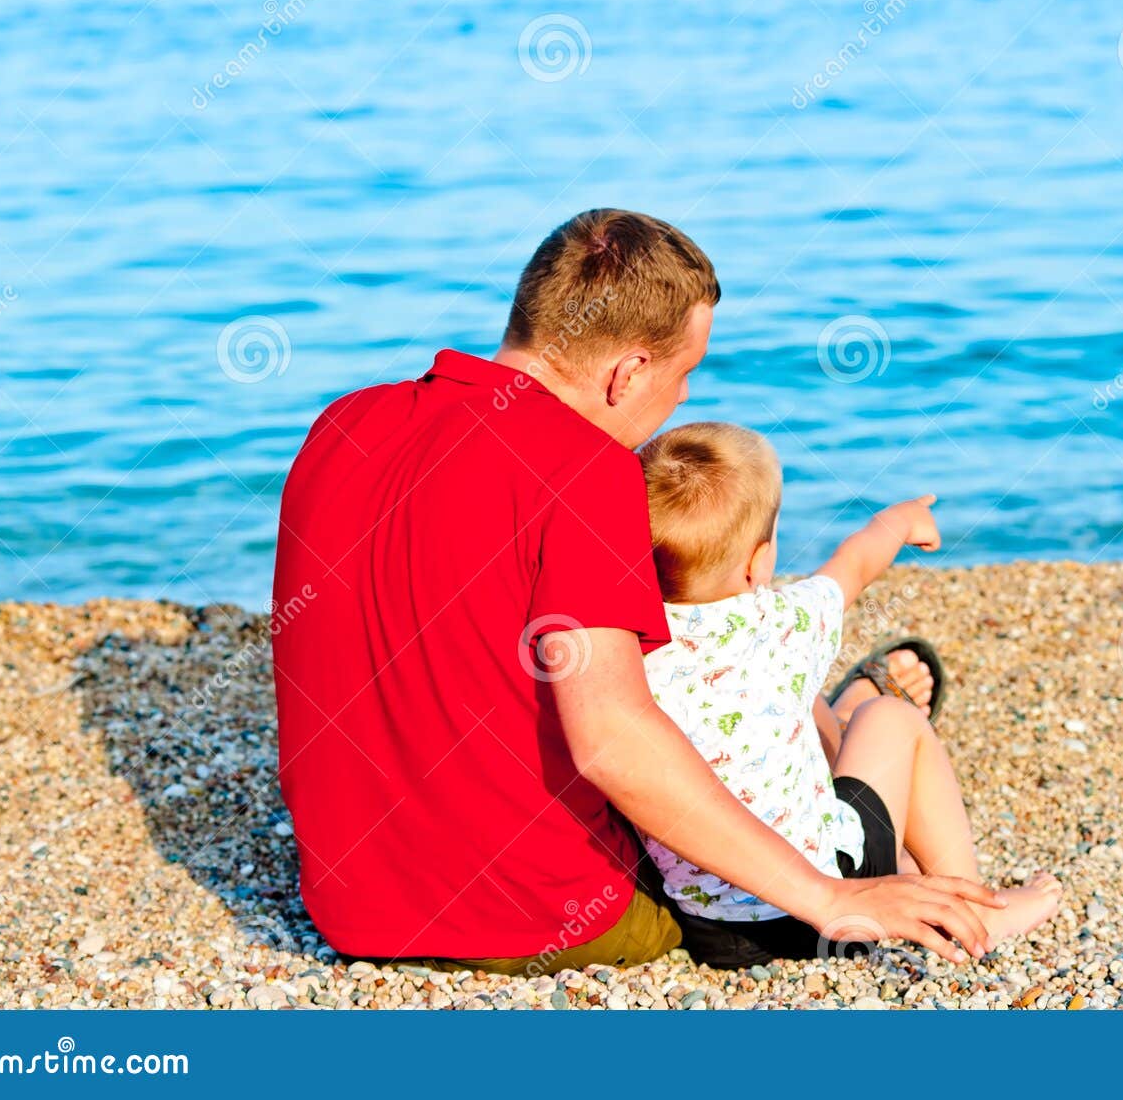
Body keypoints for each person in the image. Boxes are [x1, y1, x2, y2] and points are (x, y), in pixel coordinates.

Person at [272, 208, 1007, 973]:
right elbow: (613, 739)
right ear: (627, 372)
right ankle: (838, 718)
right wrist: (829, 897)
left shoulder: (345, 422)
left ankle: (825, 709)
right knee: (710, 751)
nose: (686, 397)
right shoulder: (586, 470)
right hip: (542, 913)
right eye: (685, 371)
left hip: (351, 904)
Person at [637, 421, 1062, 968]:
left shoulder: (626, 648)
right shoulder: (784, 621)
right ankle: (973, 908)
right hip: (832, 911)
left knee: (801, 703)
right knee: (890, 717)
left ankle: (907, 862)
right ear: (757, 561)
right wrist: (899, 519)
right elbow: (856, 563)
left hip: (713, 933)